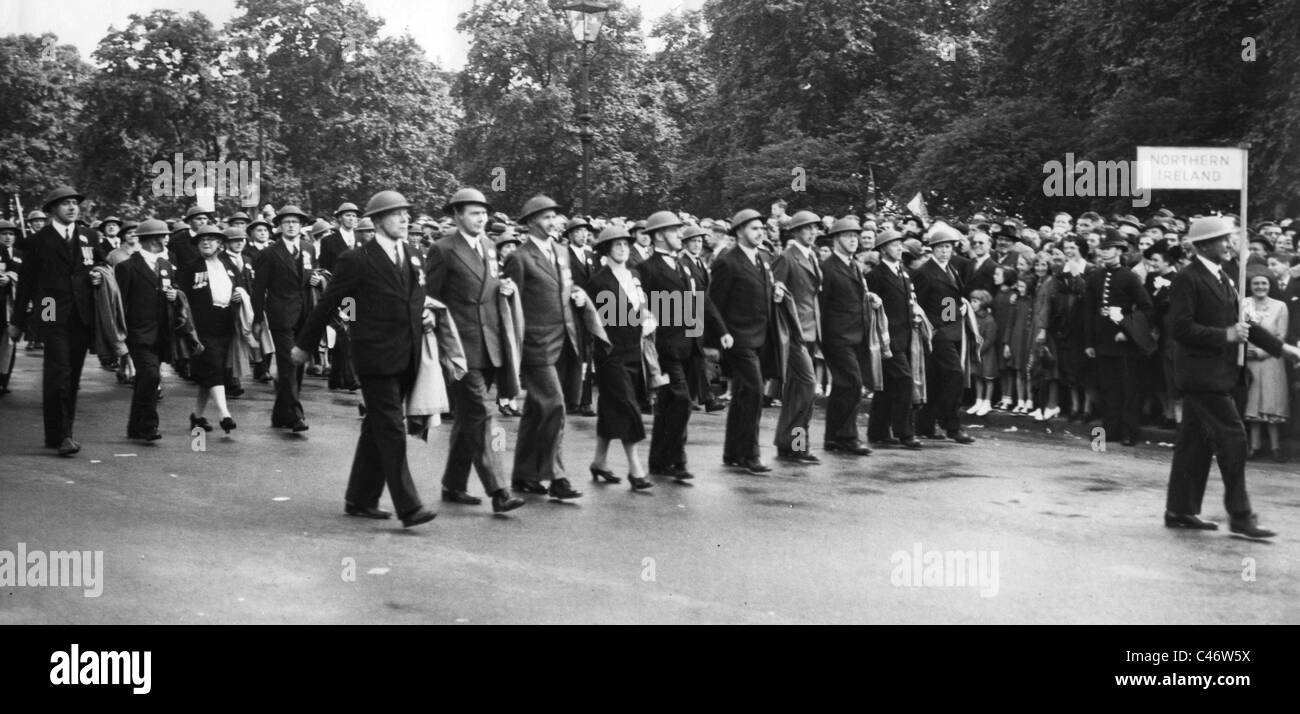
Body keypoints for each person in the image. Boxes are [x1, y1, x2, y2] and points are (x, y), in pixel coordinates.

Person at [292, 190, 438, 528]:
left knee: (376, 427)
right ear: (376, 221)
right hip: (374, 357)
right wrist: (305, 345)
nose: (404, 219)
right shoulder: (357, 259)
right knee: (391, 429)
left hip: (407, 353)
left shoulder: (414, 254)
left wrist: (425, 317)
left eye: (406, 213)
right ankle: (409, 505)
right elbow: (331, 302)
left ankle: (359, 497)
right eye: (395, 214)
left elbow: (415, 298)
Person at [1164, 217, 1300, 538]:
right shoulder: (1187, 279)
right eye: (1223, 239)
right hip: (1201, 376)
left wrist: (1285, 350)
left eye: (1229, 239)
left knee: (1194, 444)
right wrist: (1225, 334)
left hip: (1218, 375)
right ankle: (1240, 515)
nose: (1229, 244)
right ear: (1204, 245)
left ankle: (1180, 510)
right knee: (1234, 439)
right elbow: (1180, 328)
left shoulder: (1226, 277)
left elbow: (1246, 325)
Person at [422, 187, 525, 514]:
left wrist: (503, 289)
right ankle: (500, 490)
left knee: (469, 419)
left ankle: (453, 483)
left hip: (490, 345)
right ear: (457, 215)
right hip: (459, 348)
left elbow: (488, 286)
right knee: (482, 415)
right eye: (473, 213)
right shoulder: (442, 249)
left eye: (483, 213)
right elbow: (431, 299)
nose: (481, 219)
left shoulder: (490, 246)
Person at [9, 186, 107, 456]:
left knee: (72, 375)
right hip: (50, 309)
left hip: (81, 312)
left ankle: (60, 433)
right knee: (59, 371)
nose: (72, 208)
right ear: (52, 209)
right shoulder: (38, 241)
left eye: (75, 203)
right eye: (65, 204)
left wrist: (99, 272)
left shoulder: (89, 236)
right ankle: (63, 435)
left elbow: (102, 264)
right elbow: (27, 283)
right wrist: (17, 321)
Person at [503, 195, 584, 500]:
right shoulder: (519, 258)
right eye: (547, 218)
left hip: (563, 339)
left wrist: (575, 293)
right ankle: (558, 477)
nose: (554, 223)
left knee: (537, 412)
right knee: (555, 406)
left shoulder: (561, 252)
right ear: (532, 222)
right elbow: (512, 307)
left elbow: (563, 286)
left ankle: (524, 475)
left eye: (555, 217)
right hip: (535, 345)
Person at [707, 208, 787, 473]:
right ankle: (750, 454)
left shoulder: (763, 258)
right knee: (753, 391)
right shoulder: (728, 261)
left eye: (762, 228)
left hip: (761, 336)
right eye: (754, 228)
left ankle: (732, 452)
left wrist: (774, 291)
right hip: (738, 338)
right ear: (739, 231)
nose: (760, 232)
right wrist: (720, 335)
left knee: (744, 393)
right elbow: (713, 302)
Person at [635, 210, 711, 480]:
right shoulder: (647, 269)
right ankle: (675, 458)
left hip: (689, 344)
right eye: (674, 230)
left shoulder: (684, 265)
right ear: (658, 235)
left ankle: (661, 461)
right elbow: (636, 305)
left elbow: (699, 302)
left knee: (671, 404)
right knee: (680, 400)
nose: (681, 234)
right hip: (665, 348)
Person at [587, 225, 655, 490]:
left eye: (626, 244)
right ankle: (635, 468)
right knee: (627, 406)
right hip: (610, 353)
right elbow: (603, 319)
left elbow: (642, 304)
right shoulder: (598, 281)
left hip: (634, 350)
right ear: (606, 250)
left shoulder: (635, 274)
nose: (623, 249)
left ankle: (599, 462)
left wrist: (648, 316)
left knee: (610, 407)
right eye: (616, 245)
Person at [251, 205, 318, 432]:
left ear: (301, 226)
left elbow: (309, 276)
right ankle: (295, 414)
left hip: (305, 313)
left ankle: (281, 413)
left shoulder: (309, 249)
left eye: (295, 222)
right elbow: (258, 289)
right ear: (279, 226)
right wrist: (258, 318)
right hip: (280, 314)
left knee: (298, 363)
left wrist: (315, 280)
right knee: (288, 362)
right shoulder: (269, 254)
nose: (291, 225)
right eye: (287, 222)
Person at [1084, 228, 1153, 447]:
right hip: (1102, 341)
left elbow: (1147, 309)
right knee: (1107, 387)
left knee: (1128, 389)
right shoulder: (1095, 277)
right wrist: (1089, 342)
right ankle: (1111, 429)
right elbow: (1088, 312)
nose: (1105, 253)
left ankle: (1129, 431)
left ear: (1119, 250)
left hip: (1124, 343)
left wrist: (1128, 330)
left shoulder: (1130, 277)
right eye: (1102, 249)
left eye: (1109, 248)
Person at [912, 221, 976, 444]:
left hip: (953, 330)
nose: (945, 251)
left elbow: (951, 298)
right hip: (937, 333)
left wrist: (960, 307)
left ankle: (925, 424)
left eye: (948, 247)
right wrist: (933, 327)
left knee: (938, 379)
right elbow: (917, 304)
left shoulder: (952, 270)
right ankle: (951, 424)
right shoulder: (924, 273)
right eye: (940, 247)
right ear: (932, 249)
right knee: (954, 375)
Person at [114, 220, 177, 440]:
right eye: (164, 235)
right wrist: (120, 337)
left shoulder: (166, 265)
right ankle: (149, 425)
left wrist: (174, 295)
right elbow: (120, 303)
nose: (167, 239)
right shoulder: (127, 267)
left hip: (161, 332)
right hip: (137, 332)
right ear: (152, 239)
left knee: (148, 378)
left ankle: (135, 426)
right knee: (150, 374)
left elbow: (173, 291)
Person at [770, 210, 823, 463]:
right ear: (795, 231)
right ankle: (796, 444)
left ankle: (789, 444)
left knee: (798, 391)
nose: (812, 232)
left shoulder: (811, 256)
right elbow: (776, 294)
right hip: (793, 332)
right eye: (807, 228)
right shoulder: (786, 258)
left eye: (815, 228)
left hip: (811, 330)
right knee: (806, 387)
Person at [182, 226, 240, 435]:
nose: (206, 243)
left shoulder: (228, 264)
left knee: (213, 371)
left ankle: (197, 417)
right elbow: (183, 297)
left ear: (220, 244)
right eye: (202, 240)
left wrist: (239, 295)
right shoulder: (192, 267)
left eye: (211, 239)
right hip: (201, 324)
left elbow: (240, 286)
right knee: (213, 365)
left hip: (225, 321)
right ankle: (225, 415)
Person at [1241, 272, 1289, 460]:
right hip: (1249, 360)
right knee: (1253, 403)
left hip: (1271, 360)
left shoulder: (1280, 306)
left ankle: (1276, 448)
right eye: (1256, 283)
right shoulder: (1244, 304)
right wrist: (1247, 351)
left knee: (1271, 402)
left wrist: (1262, 352)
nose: (1260, 286)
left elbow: (1281, 336)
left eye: (1264, 283)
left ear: (1270, 285)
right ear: (1250, 285)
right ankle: (1254, 446)